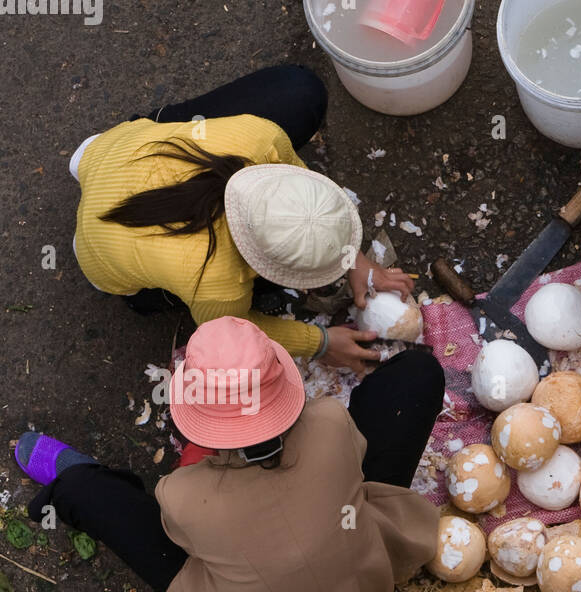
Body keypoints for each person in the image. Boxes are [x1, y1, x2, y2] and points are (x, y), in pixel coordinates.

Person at [15, 316, 443, 592]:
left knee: (85, 494)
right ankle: (85, 483)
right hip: (364, 581)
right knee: (418, 374)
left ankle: (79, 479)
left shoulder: (182, 494)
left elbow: (191, 543)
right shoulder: (331, 422)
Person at [72, 65, 406, 373]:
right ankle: (89, 231)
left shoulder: (258, 138)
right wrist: (320, 343)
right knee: (147, 299)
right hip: (97, 251)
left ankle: (88, 157)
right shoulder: (216, 284)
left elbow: (304, 194)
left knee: (300, 90)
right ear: (258, 258)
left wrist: (354, 259)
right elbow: (230, 330)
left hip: (118, 149)